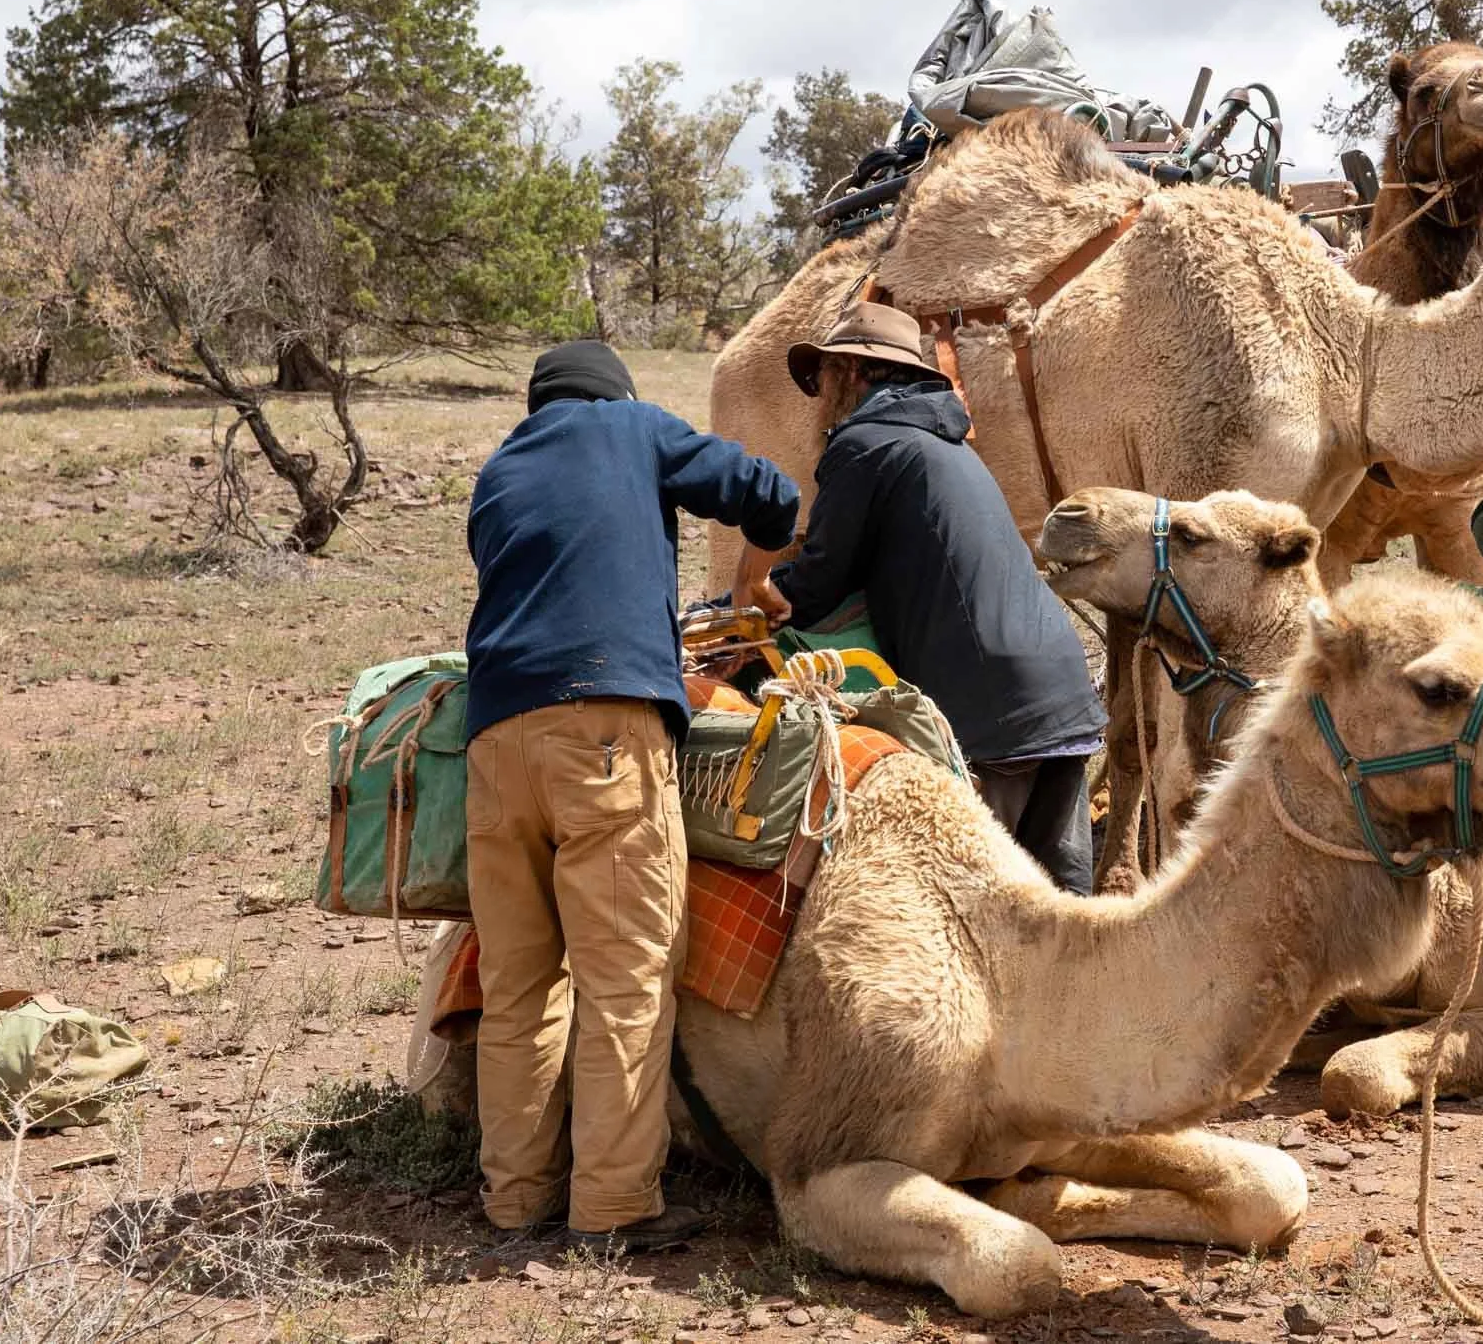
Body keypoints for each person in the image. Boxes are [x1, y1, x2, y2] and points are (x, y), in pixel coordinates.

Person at [463, 340, 799, 1254]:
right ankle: (613, 1204)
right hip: (603, 731)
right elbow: (772, 495)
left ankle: (515, 1197)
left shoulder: (500, 470)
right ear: (615, 395)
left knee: (519, 984)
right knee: (624, 970)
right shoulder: (633, 428)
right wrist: (753, 580)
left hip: (492, 744)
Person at [741, 302, 1107, 893]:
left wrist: (760, 598)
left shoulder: (863, 443)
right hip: (1057, 690)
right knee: (1063, 908)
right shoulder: (946, 443)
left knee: (986, 902)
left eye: (829, 375)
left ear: (856, 373)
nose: (822, 395)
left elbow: (818, 582)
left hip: (993, 708)